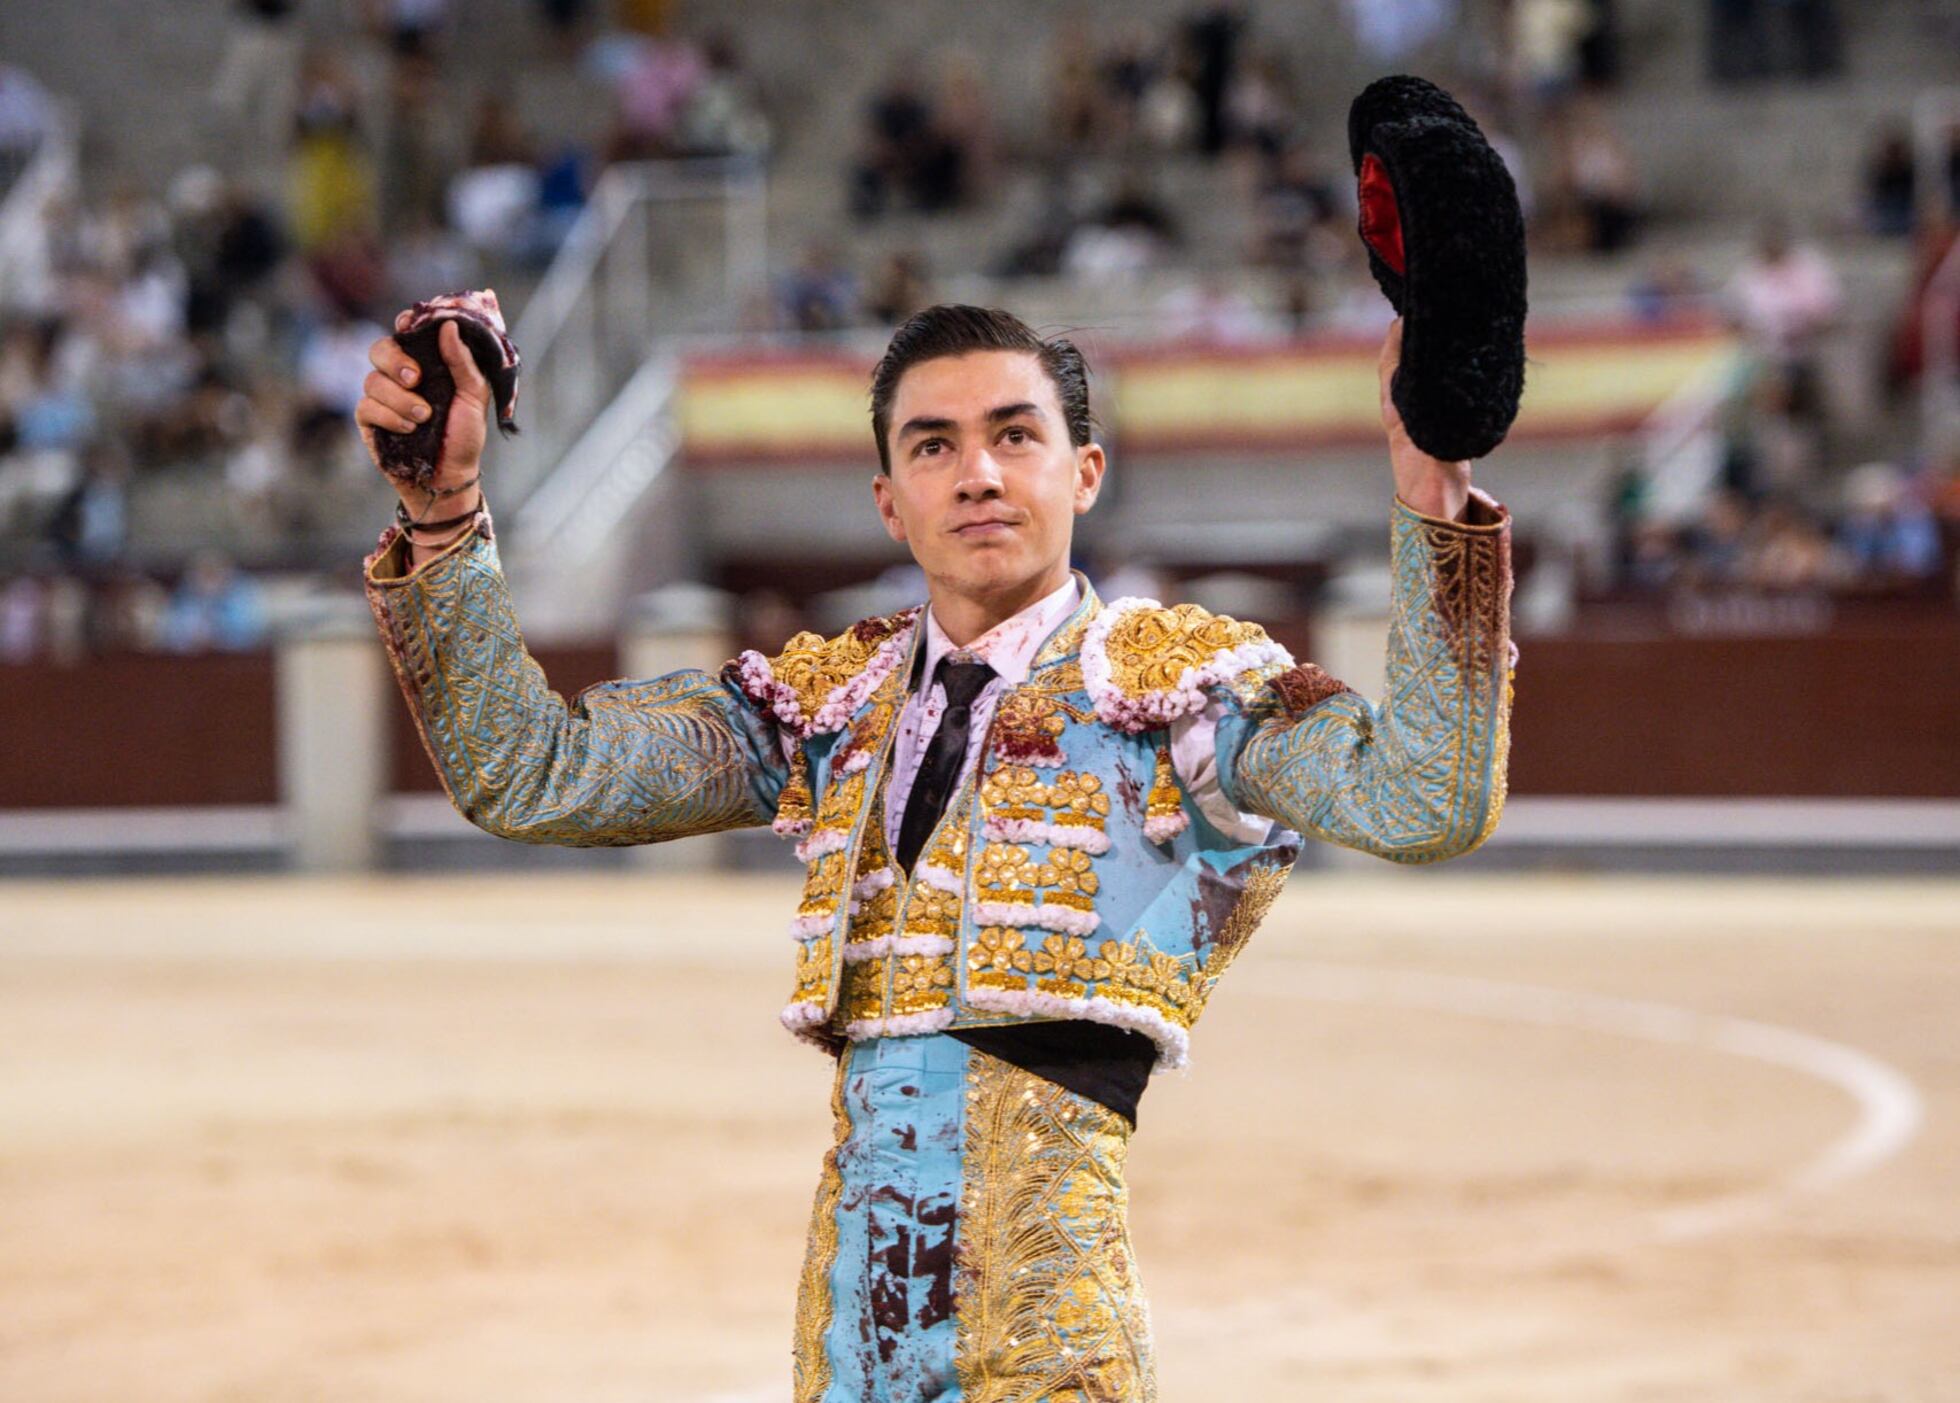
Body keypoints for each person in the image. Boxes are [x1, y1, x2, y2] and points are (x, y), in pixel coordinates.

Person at [352, 302, 1515, 1398]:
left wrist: (1432, 497)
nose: (979, 473)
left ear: (1085, 472)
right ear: (887, 500)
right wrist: (444, 514)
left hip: (1049, 1326)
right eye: (934, 446)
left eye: (1016, 435)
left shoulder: (1181, 692)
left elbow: (1422, 800)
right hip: (848, 1327)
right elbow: (533, 773)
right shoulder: (823, 704)